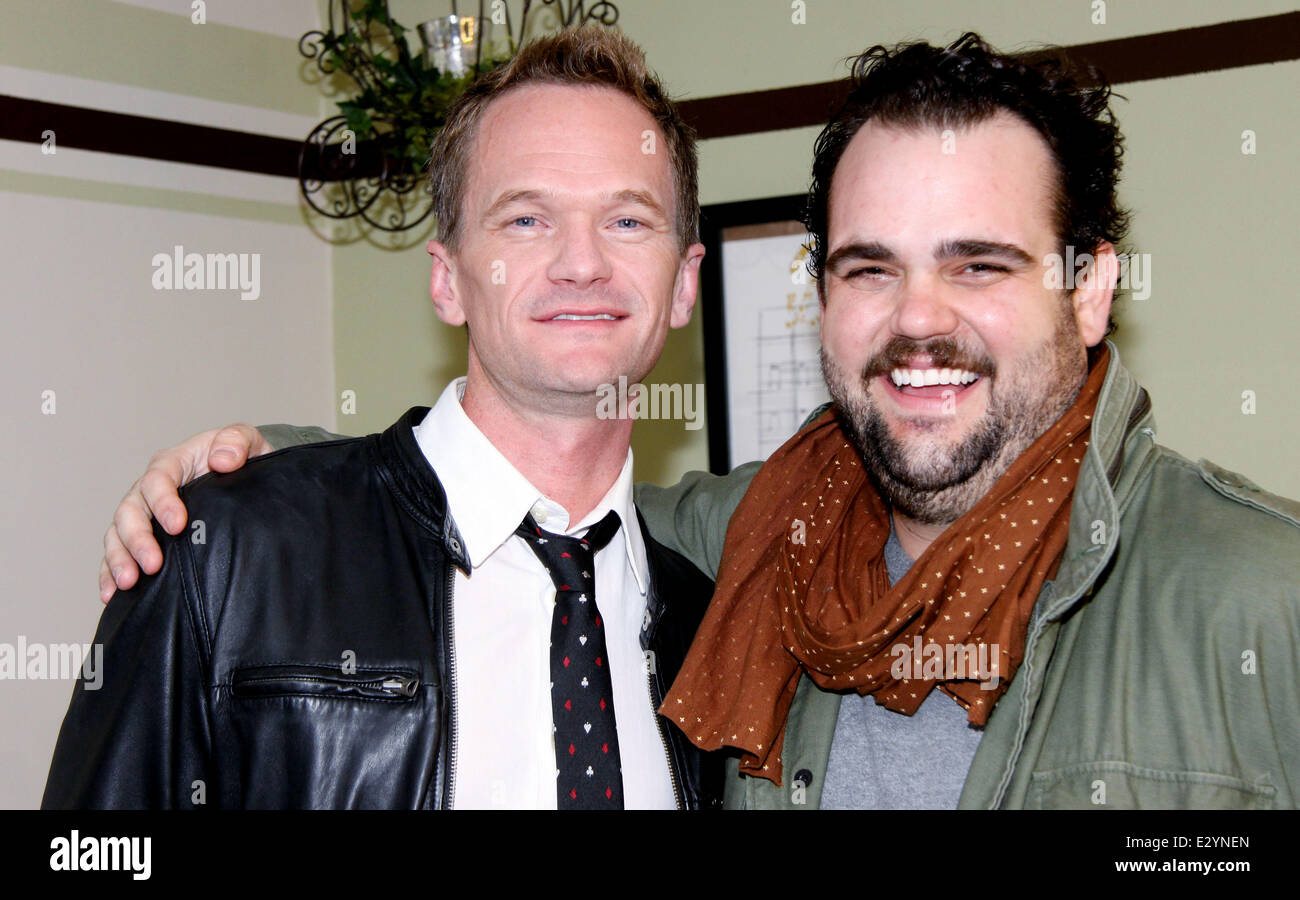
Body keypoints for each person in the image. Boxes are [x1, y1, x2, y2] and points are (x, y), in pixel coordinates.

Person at [96, 34, 1300, 809]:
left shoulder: (1260, 597)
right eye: (870, 268)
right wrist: (253, 487)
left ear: (1087, 289)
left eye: (978, 263)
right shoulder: (753, 551)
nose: (918, 322)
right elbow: (517, 488)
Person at [44, 26, 724, 810]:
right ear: (447, 281)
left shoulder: (709, 628)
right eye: (526, 220)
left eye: (628, 221)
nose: (582, 262)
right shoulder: (229, 551)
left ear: (683, 284)